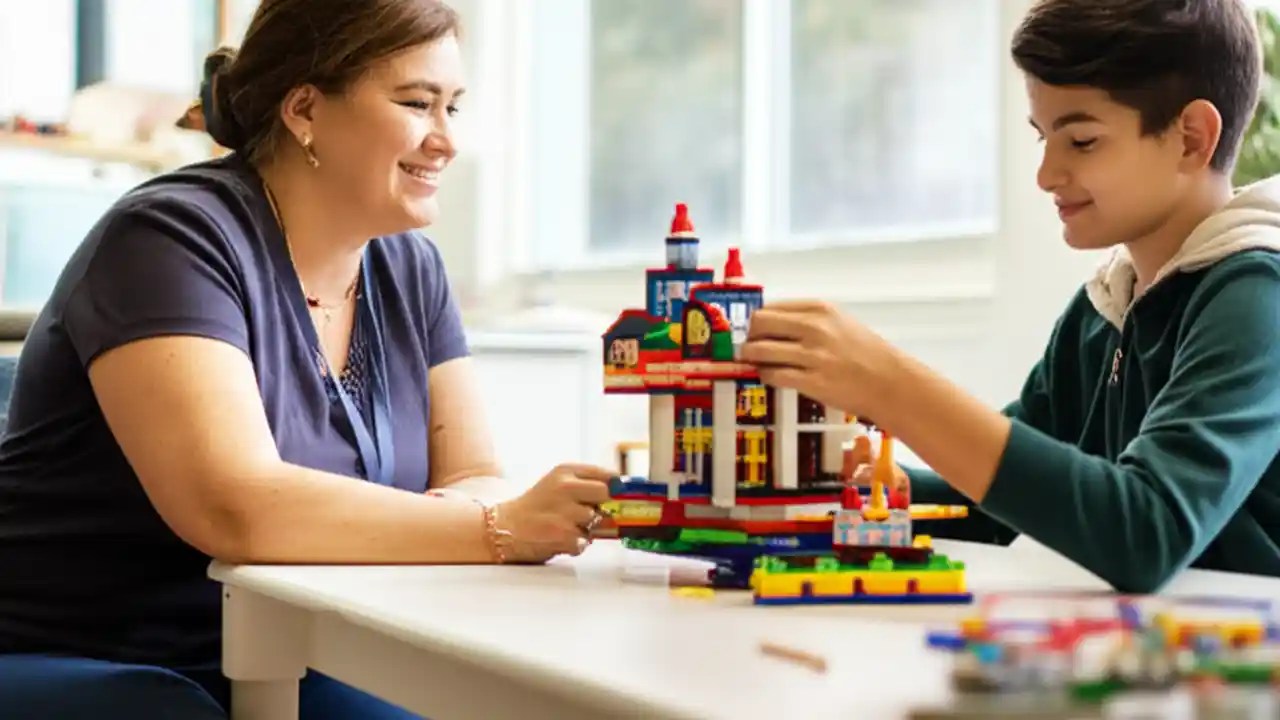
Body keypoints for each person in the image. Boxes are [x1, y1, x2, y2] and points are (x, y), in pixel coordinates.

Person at [0, 0, 612, 716]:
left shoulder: (411, 270)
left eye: (454, 107)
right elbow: (236, 508)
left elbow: (475, 474)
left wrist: (498, 513)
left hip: (281, 649)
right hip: (76, 647)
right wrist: (501, 528)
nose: (445, 140)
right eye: (417, 104)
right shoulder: (169, 240)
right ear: (303, 111)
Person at [742, 0, 1280, 595]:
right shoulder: (1104, 309)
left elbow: (1144, 531)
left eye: (1081, 140)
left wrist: (887, 385)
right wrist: (829, 485)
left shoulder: (1257, 297)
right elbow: (999, 497)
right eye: (1043, 137)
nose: (1046, 174)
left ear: (1190, 138)